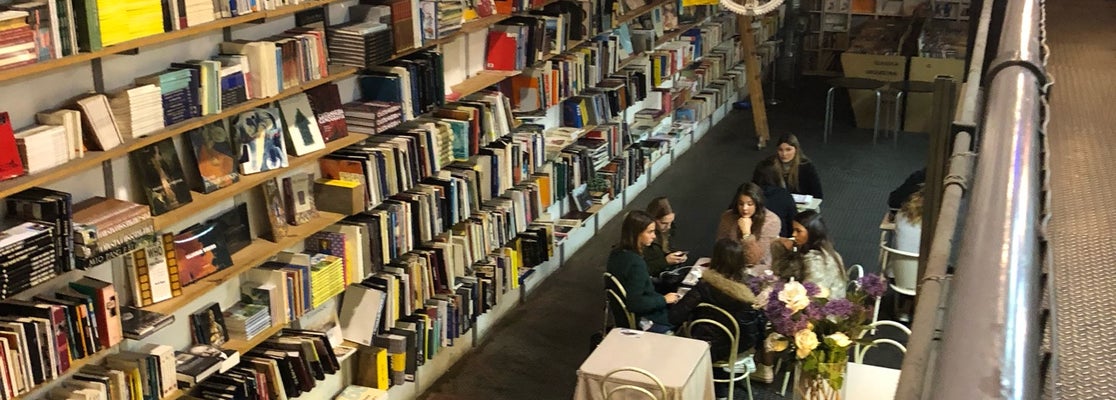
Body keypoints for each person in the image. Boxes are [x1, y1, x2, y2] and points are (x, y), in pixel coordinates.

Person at [668, 239, 760, 360]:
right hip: (736, 346)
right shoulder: (749, 290)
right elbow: (752, 332)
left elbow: (675, 316)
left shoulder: (704, 287)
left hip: (703, 342)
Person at [607, 211, 681, 333]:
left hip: (623, 318)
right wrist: (664, 299)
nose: (654, 236)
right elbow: (636, 303)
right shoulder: (636, 263)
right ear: (636, 234)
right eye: (650, 232)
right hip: (647, 320)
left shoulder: (616, 253)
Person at [771, 210, 848, 299]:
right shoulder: (821, 248)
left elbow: (811, 297)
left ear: (812, 232)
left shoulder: (817, 262)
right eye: (793, 230)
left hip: (822, 307)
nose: (793, 234)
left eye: (798, 231)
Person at [716, 183, 782, 272]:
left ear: (757, 204)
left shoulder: (771, 221)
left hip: (758, 269)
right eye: (741, 204)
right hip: (730, 265)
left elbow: (753, 260)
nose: (744, 208)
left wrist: (746, 233)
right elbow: (720, 248)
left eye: (750, 204)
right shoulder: (728, 217)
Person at [891, 186, 924, 322]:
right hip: (923, 277)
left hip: (898, 275)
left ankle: (905, 307)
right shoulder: (931, 225)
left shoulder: (900, 216)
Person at [751, 158, 796, 237]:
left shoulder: (747, 193)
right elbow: (792, 223)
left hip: (748, 237)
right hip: (777, 240)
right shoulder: (784, 195)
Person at [644, 197, 688, 277]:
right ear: (653, 219)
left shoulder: (666, 231)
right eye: (664, 223)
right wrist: (665, 261)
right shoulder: (645, 239)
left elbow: (667, 249)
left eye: (671, 222)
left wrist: (676, 257)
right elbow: (641, 269)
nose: (668, 227)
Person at [769, 133, 823, 199]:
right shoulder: (767, 166)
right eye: (780, 150)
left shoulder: (806, 167)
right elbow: (756, 191)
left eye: (788, 149)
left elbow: (817, 194)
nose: (784, 154)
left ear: (796, 150)